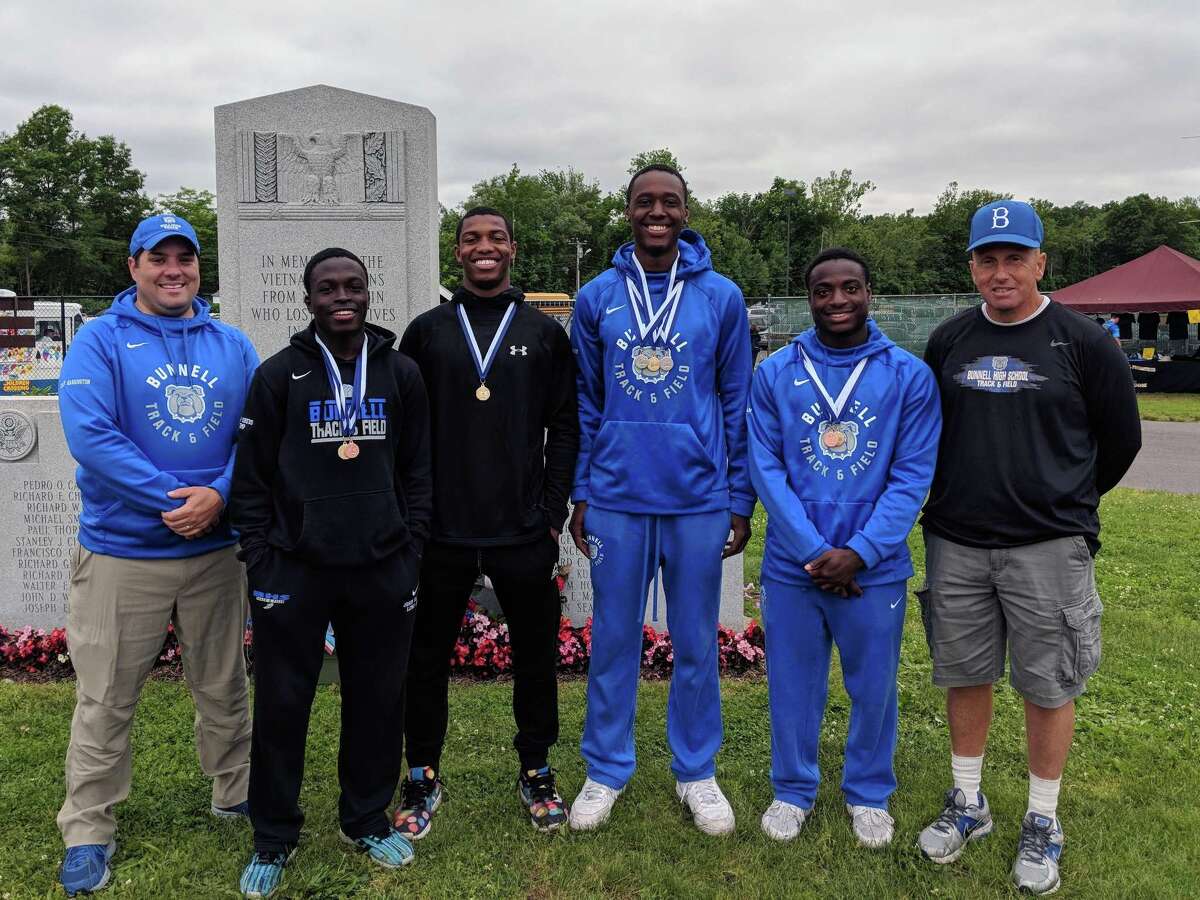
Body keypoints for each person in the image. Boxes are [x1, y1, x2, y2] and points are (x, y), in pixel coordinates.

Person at [916, 201, 1141, 894]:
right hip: (958, 541)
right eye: (988, 258)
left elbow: (1121, 441)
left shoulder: (1081, 340)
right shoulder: (949, 340)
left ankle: (1043, 819)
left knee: (1047, 682)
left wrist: (1062, 501)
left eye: (1016, 257)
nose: (1001, 271)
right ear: (973, 267)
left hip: (1047, 545)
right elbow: (930, 435)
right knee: (966, 672)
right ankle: (968, 802)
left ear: (1042, 261)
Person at [55, 214, 258, 896]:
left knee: (224, 683)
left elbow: (255, 435)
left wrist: (221, 495)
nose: (174, 269)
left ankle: (234, 793)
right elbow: (92, 437)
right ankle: (87, 828)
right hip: (123, 552)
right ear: (134, 267)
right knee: (106, 695)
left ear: (200, 267)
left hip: (216, 550)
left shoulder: (232, 344)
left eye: (185, 258)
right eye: (159, 258)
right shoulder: (100, 341)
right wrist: (181, 498)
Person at [230, 248, 431, 897]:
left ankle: (365, 818)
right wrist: (261, 555)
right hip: (294, 568)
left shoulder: (400, 373)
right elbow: (252, 478)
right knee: (284, 703)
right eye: (327, 287)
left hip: (381, 567)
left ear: (369, 294)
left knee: (377, 700)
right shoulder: (278, 375)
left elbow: (419, 472)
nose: (341, 296)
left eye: (352, 285)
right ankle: (274, 835)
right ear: (308, 298)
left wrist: (411, 550)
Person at [567, 165, 754, 835]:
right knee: (614, 638)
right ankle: (605, 769)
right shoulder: (596, 297)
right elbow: (586, 401)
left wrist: (739, 496)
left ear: (685, 211)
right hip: (617, 493)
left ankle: (696, 772)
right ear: (627, 211)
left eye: (668, 202)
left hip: (698, 497)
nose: (656, 211)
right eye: (644, 201)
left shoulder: (721, 298)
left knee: (698, 641)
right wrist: (583, 488)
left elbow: (736, 399)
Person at [747, 248, 941, 848]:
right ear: (809, 298)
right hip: (792, 564)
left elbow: (912, 474)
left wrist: (860, 551)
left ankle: (868, 791)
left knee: (874, 683)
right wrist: (812, 550)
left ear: (868, 294)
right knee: (793, 681)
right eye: (824, 290)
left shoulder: (908, 375)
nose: (837, 300)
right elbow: (765, 465)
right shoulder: (776, 371)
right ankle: (792, 790)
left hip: (873, 568)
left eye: (850, 288)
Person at [396, 207, 578, 835]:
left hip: (521, 531)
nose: (484, 248)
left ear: (513, 250)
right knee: (424, 657)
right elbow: (404, 434)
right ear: (457, 252)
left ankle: (536, 769)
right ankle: (421, 773)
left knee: (534, 656)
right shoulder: (425, 333)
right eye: (472, 238)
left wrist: (552, 515)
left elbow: (566, 427)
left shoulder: (545, 333)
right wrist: (414, 518)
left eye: (495, 238)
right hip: (441, 534)